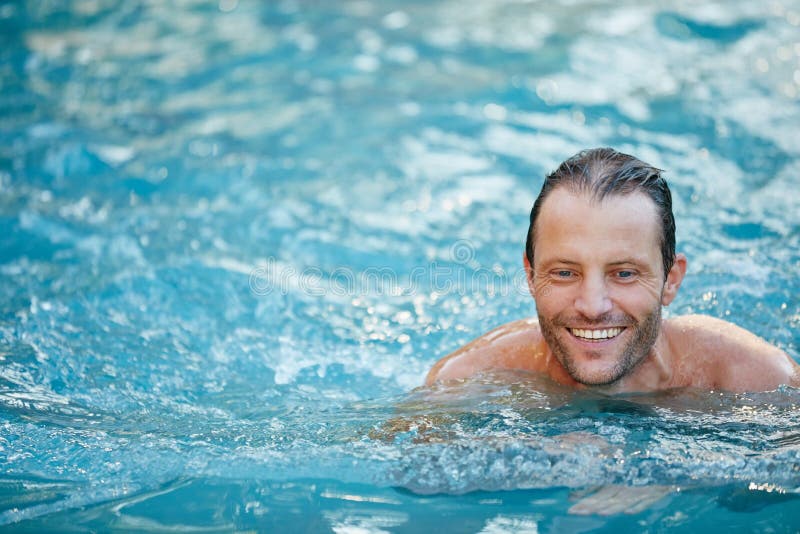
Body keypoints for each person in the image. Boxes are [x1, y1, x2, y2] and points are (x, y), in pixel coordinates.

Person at [426, 148, 798, 393]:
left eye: (624, 274)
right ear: (531, 276)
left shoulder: (756, 378)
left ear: (671, 280)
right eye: (565, 273)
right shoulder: (467, 382)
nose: (592, 306)